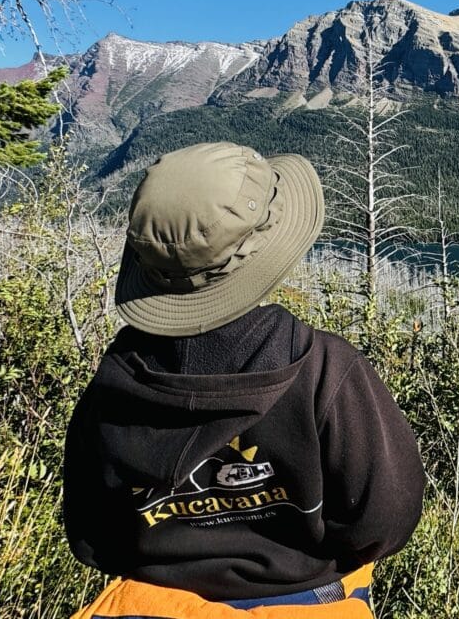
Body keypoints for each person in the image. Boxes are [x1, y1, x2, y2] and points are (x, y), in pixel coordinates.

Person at [62, 142, 425, 619]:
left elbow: (92, 537)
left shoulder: (114, 388)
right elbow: (386, 520)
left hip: (152, 604)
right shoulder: (324, 369)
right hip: (309, 600)